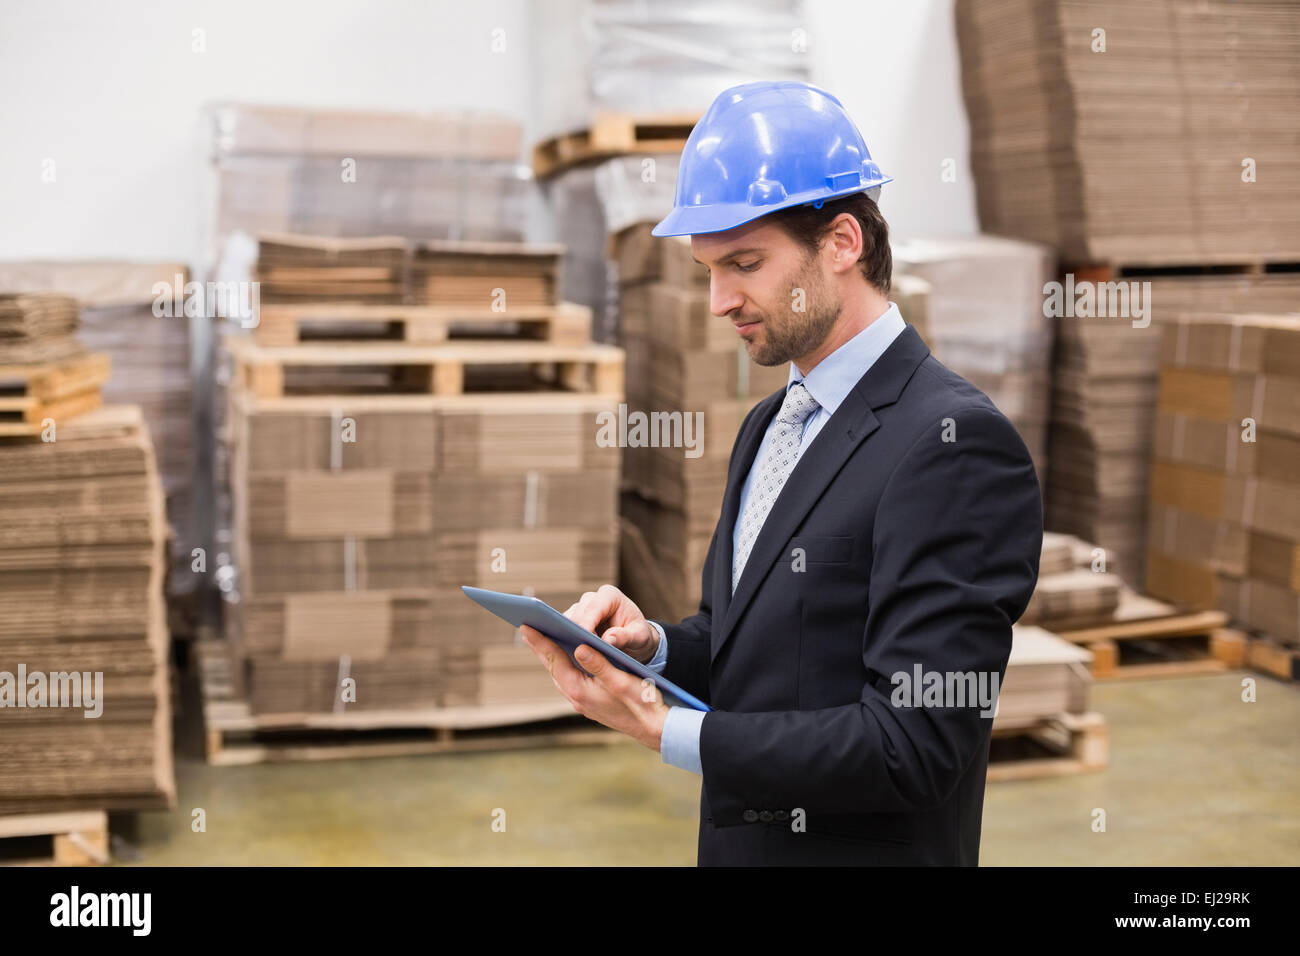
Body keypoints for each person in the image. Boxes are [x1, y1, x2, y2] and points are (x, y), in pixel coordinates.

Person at [520, 80, 1043, 865]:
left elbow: (915, 743)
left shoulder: (952, 445)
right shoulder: (772, 424)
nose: (718, 301)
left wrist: (667, 728)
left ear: (841, 243)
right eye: (708, 269)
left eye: (745, 263)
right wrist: (654, 647)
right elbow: (758, 647)